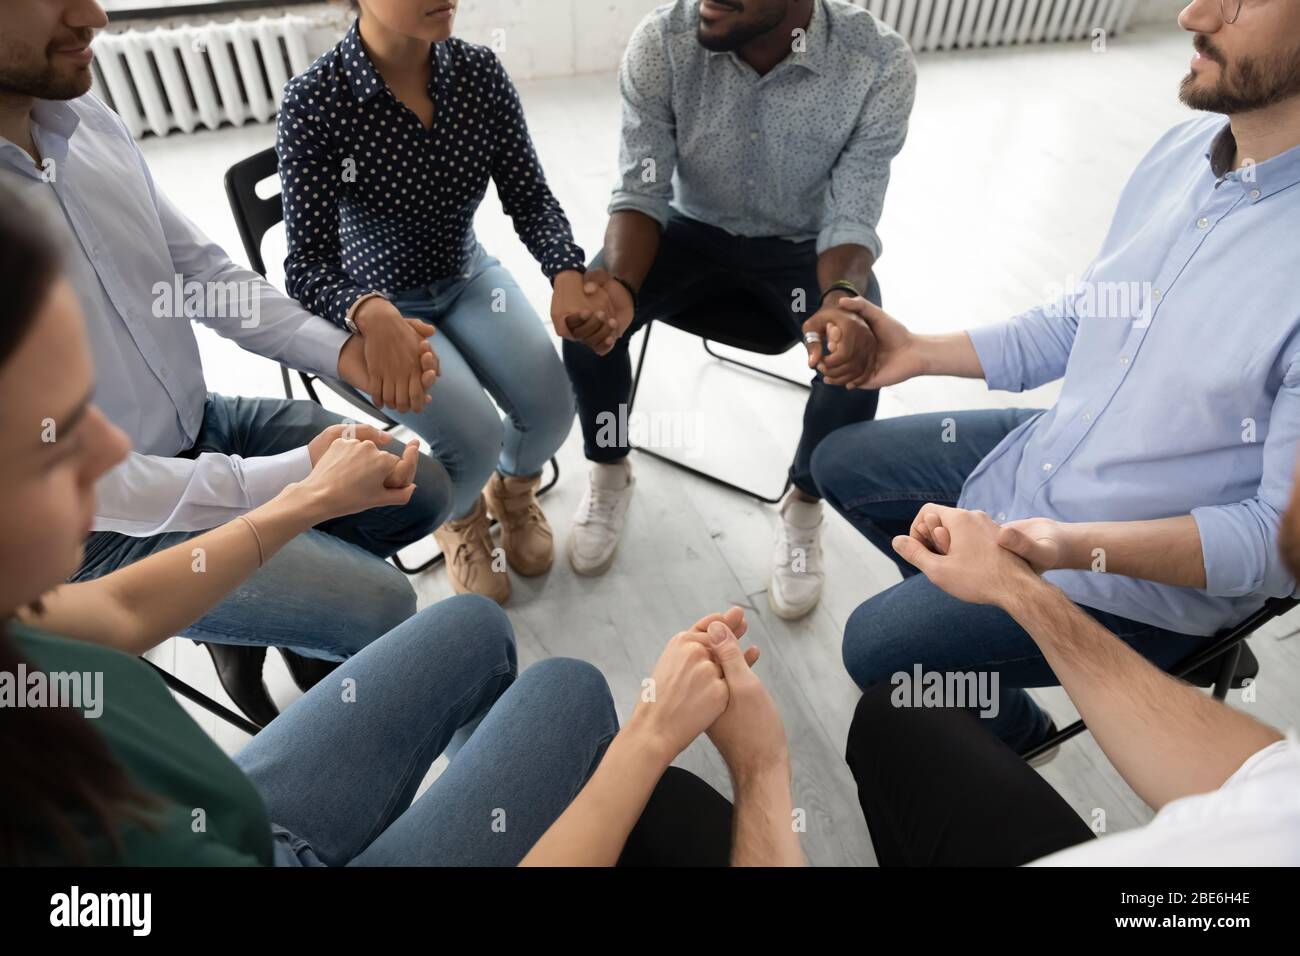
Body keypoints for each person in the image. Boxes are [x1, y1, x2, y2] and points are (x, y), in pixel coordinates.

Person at [0, 193, 730, 868]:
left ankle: (481, 780)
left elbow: (120, 610)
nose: (106, 448)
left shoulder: (23, 626)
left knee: (472, 621)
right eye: (55, 433)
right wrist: (658, 740)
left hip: (243, 817)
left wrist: (304, 501)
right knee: (564, 688)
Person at [811, 0, 1300, 754]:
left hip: (1141, 577)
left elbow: (1274, 546)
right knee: (839, 461)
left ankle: (1012, 728)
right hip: (1061, 450)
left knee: (875, 646)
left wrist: (1063, 547)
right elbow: (1085, 316)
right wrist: (918, 351)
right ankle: (978, 651)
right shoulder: (1184, 150)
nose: (1191, 14)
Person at [0, 0, 455, 726]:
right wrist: (294, 482)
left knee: (423, 488)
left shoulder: (87, 120)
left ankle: (265, 632)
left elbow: (200, 274)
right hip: (92, 531)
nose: (95, 16)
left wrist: (342, 353)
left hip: (200, 422)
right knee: (382, 603)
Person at [559, 0, 916, 621]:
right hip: (684, 234)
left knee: (860, 349)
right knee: (591, 327)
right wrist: (616, 286)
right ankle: (610, 468)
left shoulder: (878, 63)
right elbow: (641, 190)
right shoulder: (662, 41)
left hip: (805, 248)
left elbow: (852, 215)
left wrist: (839, 302)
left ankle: (804, 501)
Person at [278, 0, 604, 603]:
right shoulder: (315, 101)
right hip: (381, 307)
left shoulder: (479, 74)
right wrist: (368, 311)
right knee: (474, 438)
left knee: (555, 407)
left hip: (466, 274)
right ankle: (459, 519)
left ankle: (512, 492)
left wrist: (565, 271)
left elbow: (529, 196)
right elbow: (306, 265)